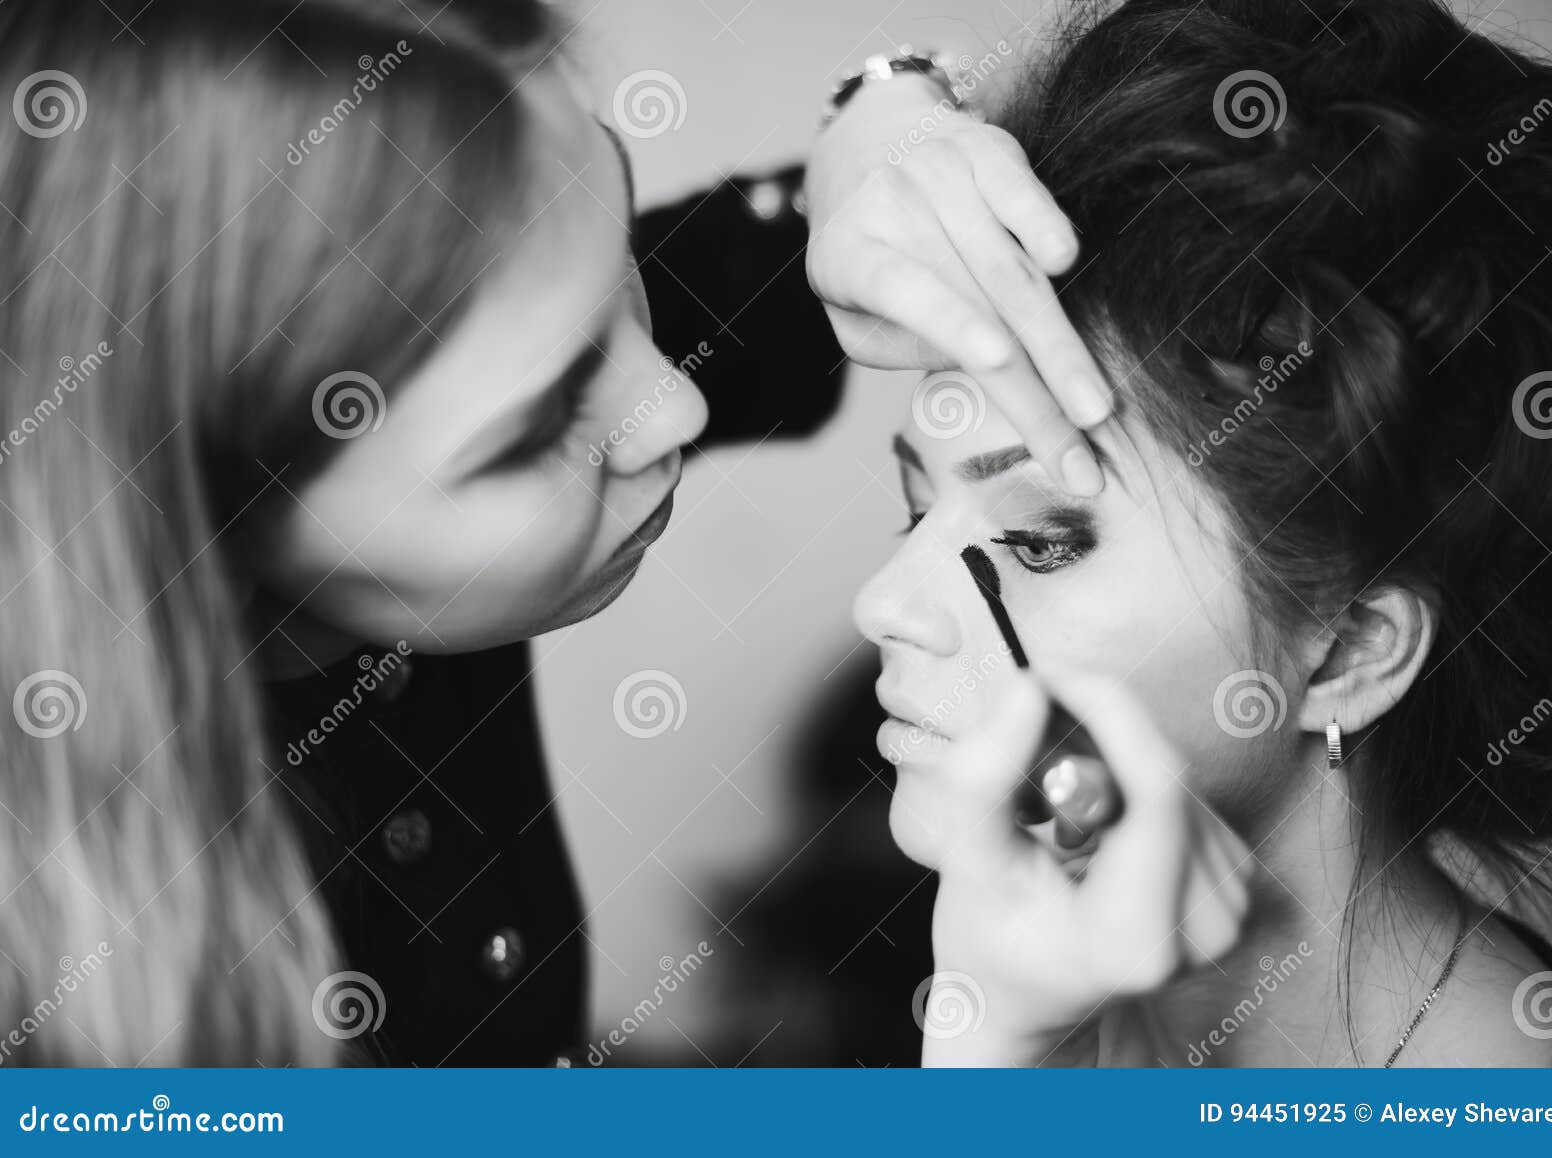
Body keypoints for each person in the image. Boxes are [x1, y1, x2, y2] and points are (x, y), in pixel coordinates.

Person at [0, 0, 1112, 1064]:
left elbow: (839, 239)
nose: (671, 402)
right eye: (534, 431)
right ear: (208, 529)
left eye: (621, 256)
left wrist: (891, 105)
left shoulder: (499, 325)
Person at [855, 0, 1552, 1066]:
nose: (881, 604)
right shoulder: (987, 977)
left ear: (1346, 650)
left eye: (1040, 542)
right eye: (915, 507)